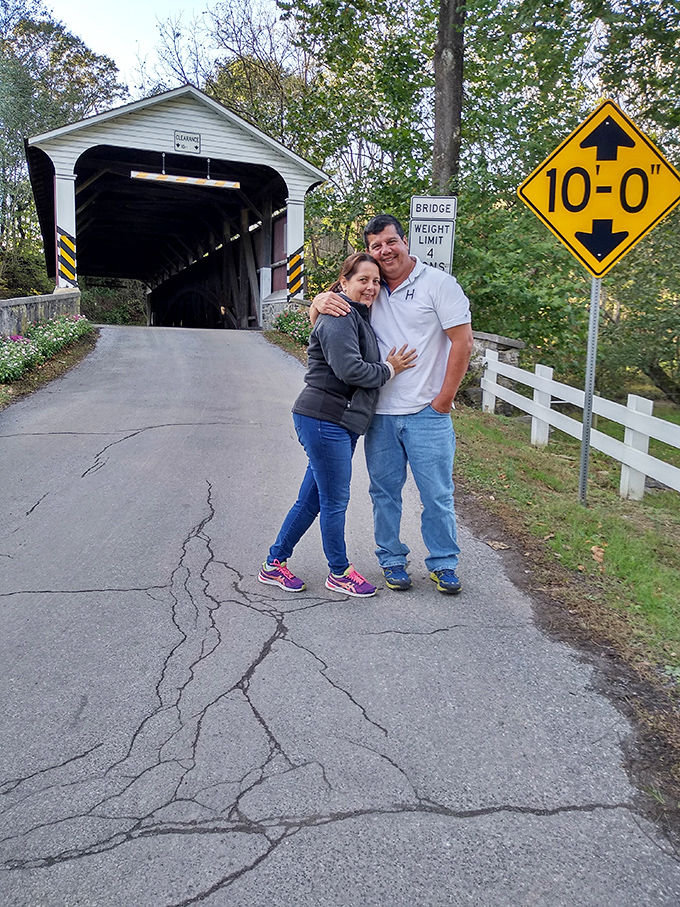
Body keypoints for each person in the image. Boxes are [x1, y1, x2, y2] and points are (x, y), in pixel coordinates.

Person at [310, 214, 473, 595]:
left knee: (437, 494)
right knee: (384, 493)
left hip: (426, 413)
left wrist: (443, 402)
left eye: (390, 242)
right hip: (379, 415)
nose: (384, 251)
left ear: (405, 241)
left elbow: (462, 343)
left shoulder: (438, 284)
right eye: (375, 246)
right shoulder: (371, 287)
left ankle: (444, 563)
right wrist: (317, 301)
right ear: (369, 251)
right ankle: (392, 560)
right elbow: (325, 317)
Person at [259, 252, 417, 598]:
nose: (371, 287)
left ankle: (273, 564)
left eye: (376, 281)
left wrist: (317, 303)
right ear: (344, 282)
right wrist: (390, 368)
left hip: (336, 421)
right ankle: (339, 572)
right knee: (335, 501)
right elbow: (351, 371)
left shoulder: (355, 315)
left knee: (312, 500)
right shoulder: (340, 316)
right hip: (324, 418)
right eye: (363, 279)